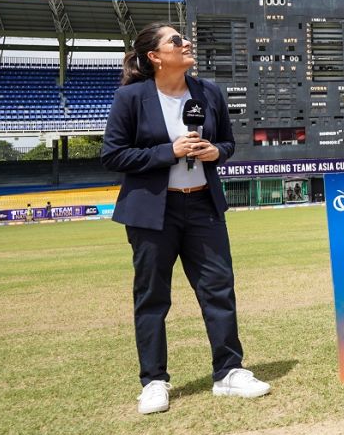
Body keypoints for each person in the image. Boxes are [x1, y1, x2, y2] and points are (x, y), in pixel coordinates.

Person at [102, 22, 270, 413]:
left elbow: (227, 142)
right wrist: (169, 151)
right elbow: (113, 155)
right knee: (152, 297)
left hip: (202, 207)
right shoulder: (131, 97)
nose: (185, 43)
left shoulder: (208, 92)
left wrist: (217, 152)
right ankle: (154, 381)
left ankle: (228, 372)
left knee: (218, 290)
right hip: (151, 212)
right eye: (175, 41)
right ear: (155, 57)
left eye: (184, 38)